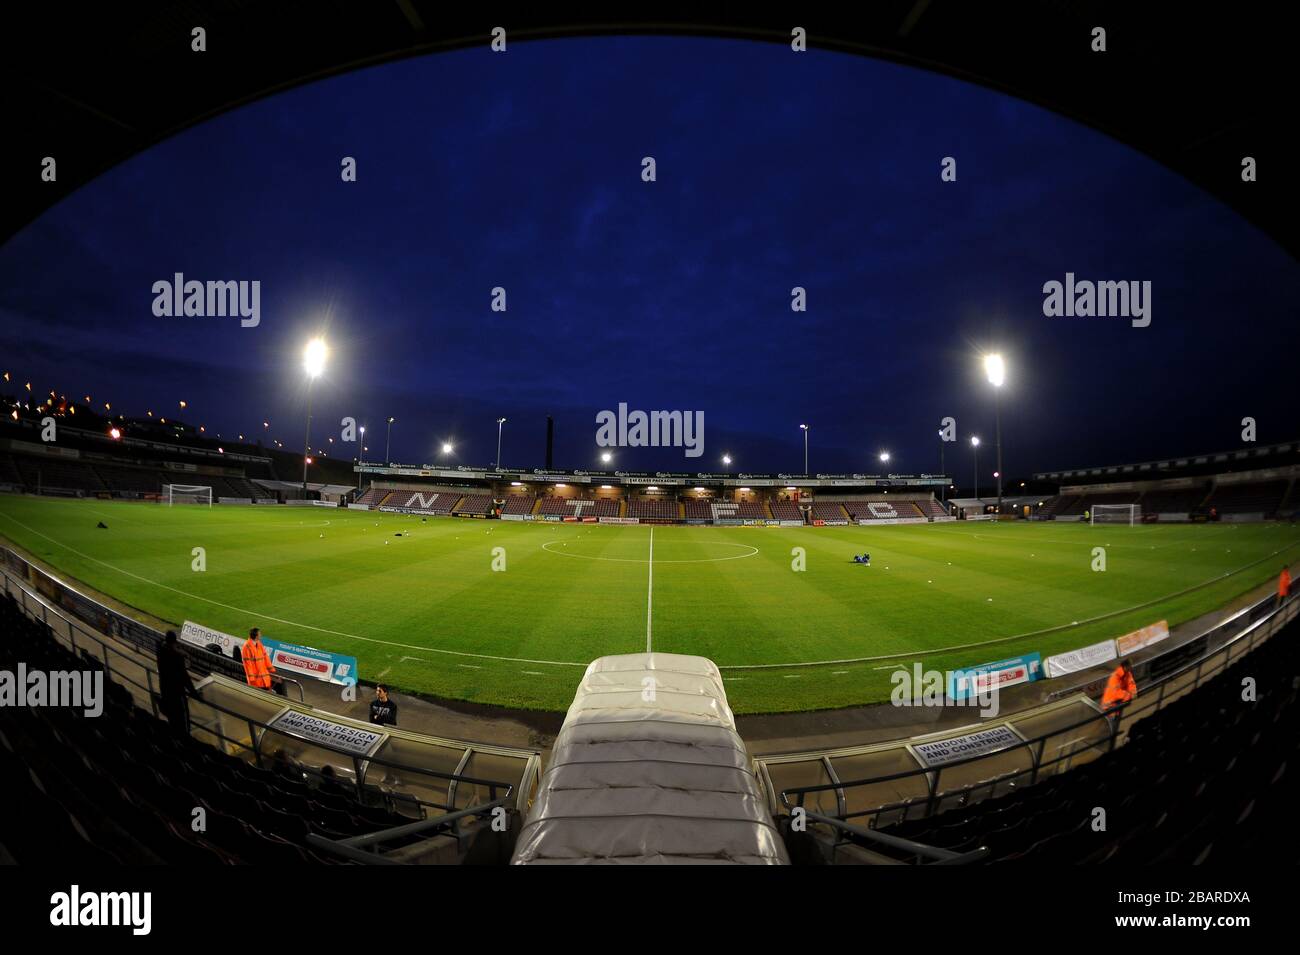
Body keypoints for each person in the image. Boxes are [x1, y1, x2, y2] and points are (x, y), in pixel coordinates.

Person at [155, 630, 197, 735]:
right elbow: (185, 677)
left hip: (165, 691)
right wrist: (194, 693)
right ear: (175, 641)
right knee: (183, 724)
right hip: (177, 694)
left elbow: (166, 647)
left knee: (172, 720)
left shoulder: (161, 652)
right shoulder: (177, 657)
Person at [1101, 659, 1137, 730]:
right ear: (1125, 666)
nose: (1132, 667)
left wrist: (1133, 692)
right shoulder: (1115, 676)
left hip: (1117, 705)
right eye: (1130, 666)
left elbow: (1131, 683)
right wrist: (1129, 695)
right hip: (1109, 707)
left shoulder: (1127, 673)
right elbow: (1116, 693)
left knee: (1115, 726)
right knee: (1109, 728)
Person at [241, 626, 276, 691]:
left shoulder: (259, 644)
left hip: (264, 679)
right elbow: (247, 665)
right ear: (256, 636)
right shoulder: (247, 647)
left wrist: (271, 668)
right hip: (256, 681)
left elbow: (265, 657)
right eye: (259, 634)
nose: (261, 635)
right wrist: (251, 679)